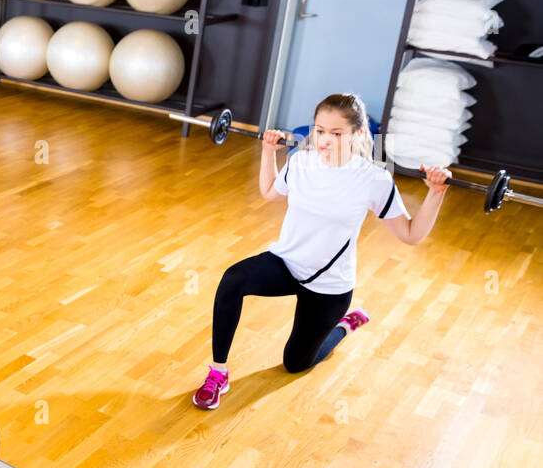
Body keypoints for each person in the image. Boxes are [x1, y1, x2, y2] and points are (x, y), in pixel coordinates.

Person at [192, 92, 451, 409]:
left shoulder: (374, 179)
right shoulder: (300, 161)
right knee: (233, 279)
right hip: (287, 264)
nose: (324, 140)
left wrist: (435, 193)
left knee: (296, 363)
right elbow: (270, 193)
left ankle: (343, 326)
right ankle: (218, 373)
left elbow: (410, 235)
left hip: (329, 285)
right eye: (319, 130)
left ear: (356, 134)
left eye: (336, 133)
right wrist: (268, 151)